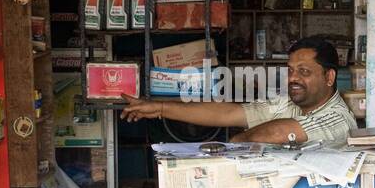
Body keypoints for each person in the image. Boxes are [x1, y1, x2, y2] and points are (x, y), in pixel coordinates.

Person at [119, 38, 357, 147]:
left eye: (303, 71)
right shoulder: (288, 104)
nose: (293, 78)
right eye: (291, 70)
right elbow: (229, 113)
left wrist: (235, 143)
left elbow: (278, 132)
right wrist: (159, 108)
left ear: (329, 77)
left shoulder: (338, 117)